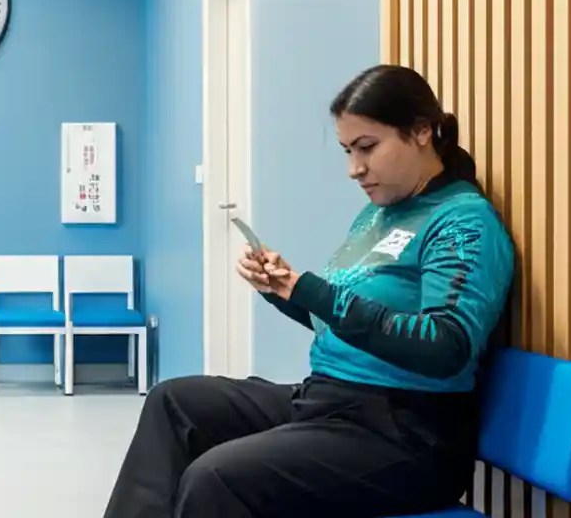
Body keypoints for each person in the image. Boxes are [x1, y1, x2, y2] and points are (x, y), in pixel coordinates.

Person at [102, 65, 514, 518]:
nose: (355, 169)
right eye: (347, 151)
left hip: (407, 434)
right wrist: (284, 291)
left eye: (367, 148)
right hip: (329, 400)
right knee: (174, 403)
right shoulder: (378, 215)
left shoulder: (463, 222)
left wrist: (315, 291)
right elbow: (342, 320)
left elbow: (447, 347)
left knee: (216, 476)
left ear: (420, 131)